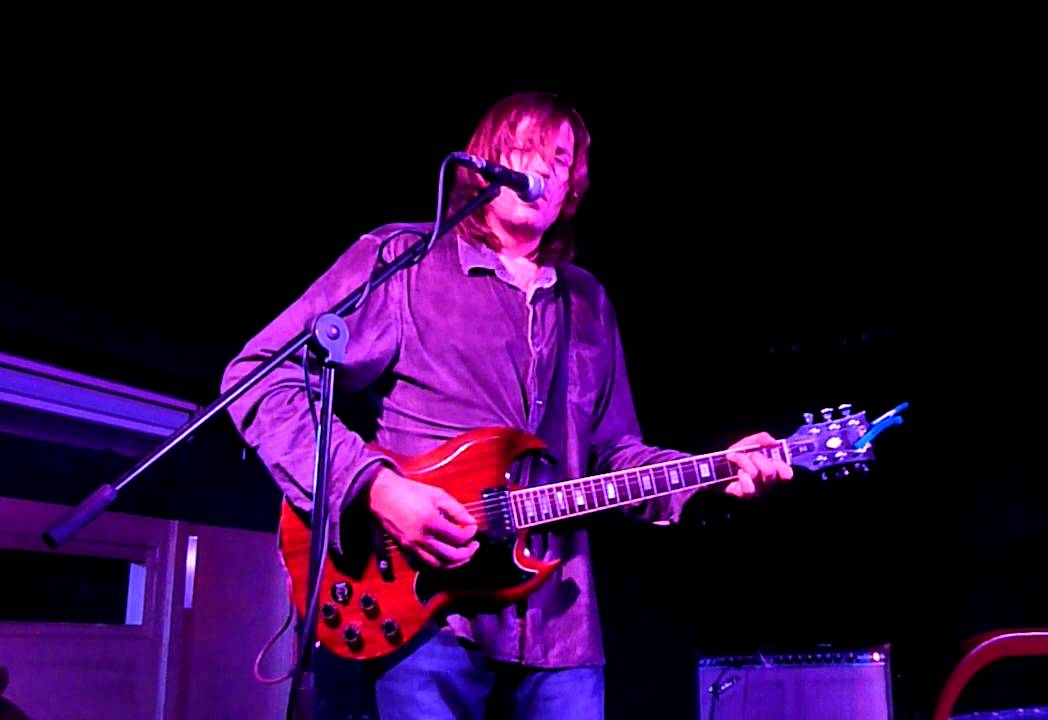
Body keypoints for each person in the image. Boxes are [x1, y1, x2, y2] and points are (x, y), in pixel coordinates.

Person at [222, 91, 792, 719]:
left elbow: (618, 453)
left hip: (561, 628)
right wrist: (375, 487)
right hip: (423, 621)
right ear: (484, 159)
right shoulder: (403, 261)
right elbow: (259, 380)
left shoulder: (588, 302)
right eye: (525, 149)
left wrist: (714, 472)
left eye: (561, 157)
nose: (543, 168)